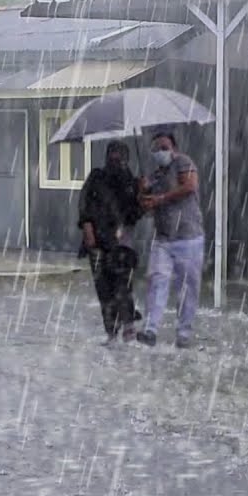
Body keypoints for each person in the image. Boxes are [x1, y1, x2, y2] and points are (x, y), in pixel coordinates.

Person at [137, 131, 204, 349]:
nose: (160, 152)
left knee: (187, 287)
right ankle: (150, 329)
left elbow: (190, 186)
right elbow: (147, 207)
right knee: (157, 280)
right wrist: (144, 194)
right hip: (163, 238)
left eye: (164, 147)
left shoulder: (183, 162)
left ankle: (184, 333)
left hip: (188, 236)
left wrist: (160, 198)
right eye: (156, 148)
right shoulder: (154, 176)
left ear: (173, 148)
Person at [78, 141, 144, 344]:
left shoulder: (132, 183)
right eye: (113, 154)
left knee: (123, 286)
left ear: (127, 158)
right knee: (104, 289)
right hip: (97, 242)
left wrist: (141, 192)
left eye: (120, 155)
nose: (116, 158)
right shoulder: (97, 177)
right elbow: (84, 203)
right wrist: (87, 228)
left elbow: (136, 213)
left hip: (122, 244)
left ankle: (129, 327)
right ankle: (111, 332)